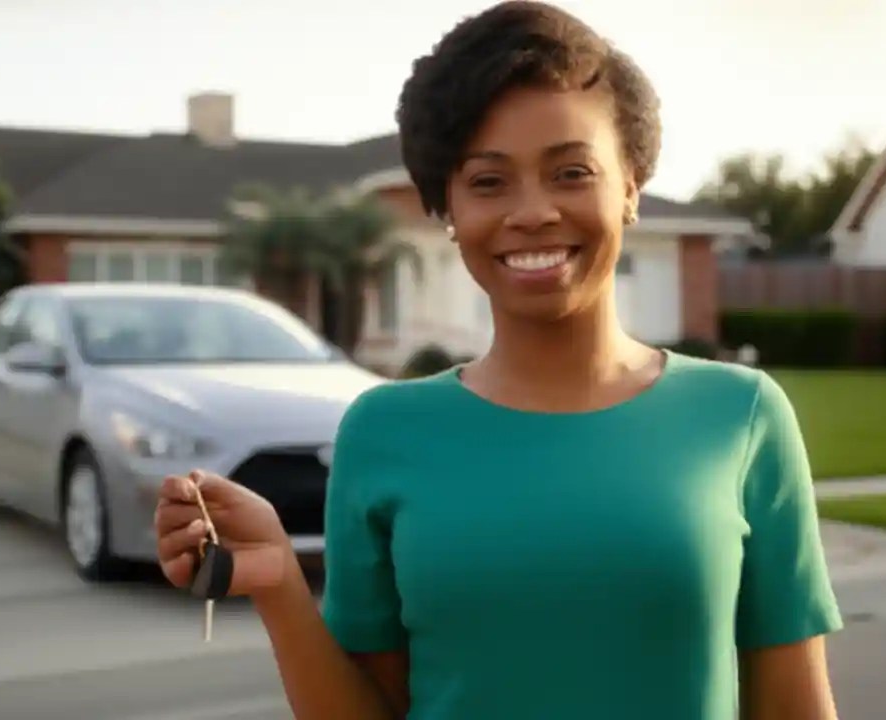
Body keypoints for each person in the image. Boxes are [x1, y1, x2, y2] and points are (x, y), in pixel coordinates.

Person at [154, 2, 843, 717]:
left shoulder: (740, 415)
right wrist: (279, 586)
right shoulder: (385, 431)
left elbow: (795, 704)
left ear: (631, 186)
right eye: (488, 182)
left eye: (571, 172)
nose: (533, 211)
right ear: (448, 210)